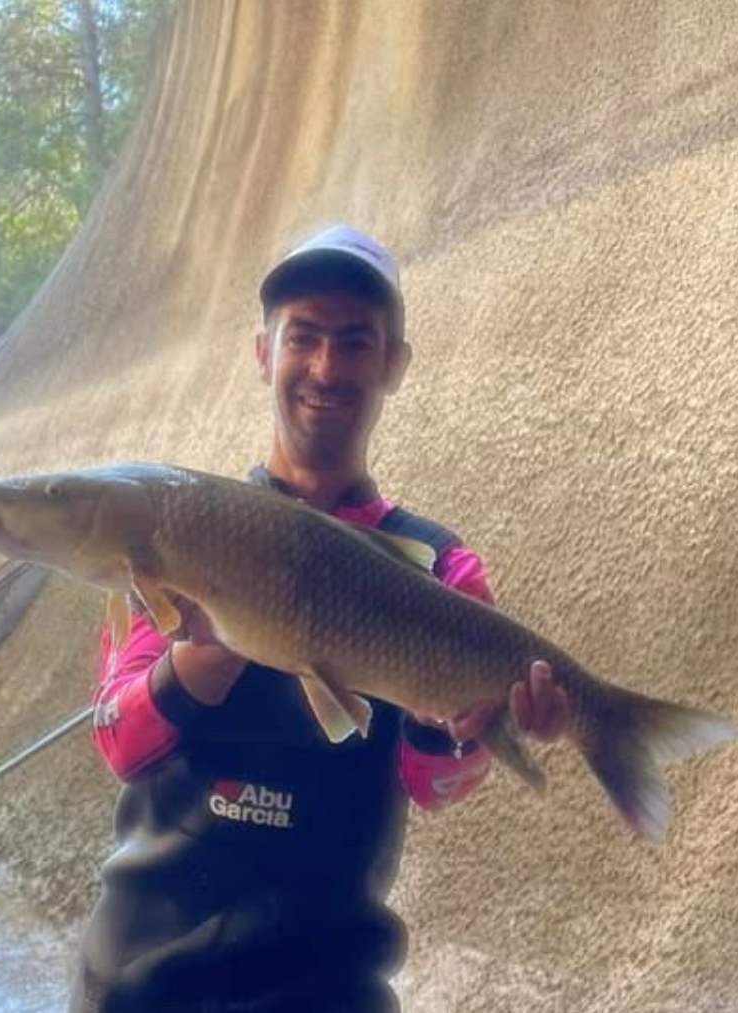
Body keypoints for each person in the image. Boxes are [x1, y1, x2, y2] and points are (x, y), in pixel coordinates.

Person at [74, 225, 573, 1013]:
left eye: (355, 341)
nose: (326, 367)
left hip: (327, 982)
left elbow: (436, 785)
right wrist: (218, 641)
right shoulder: (177, 526)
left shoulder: (443, 569)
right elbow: (118, 741)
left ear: (393, 364)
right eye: (302, 337)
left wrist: (462, 726)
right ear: (263, 353)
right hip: (141, 977)